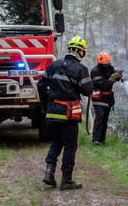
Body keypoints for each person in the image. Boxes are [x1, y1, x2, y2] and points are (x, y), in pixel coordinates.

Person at [38, 35, 93, 190]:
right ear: (81, 52)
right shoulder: (81, 69)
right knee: (70, 145)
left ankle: (49, 174)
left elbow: (41, 85)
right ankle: (66, 180)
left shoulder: (54, 65)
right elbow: (88, 90)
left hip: (52, 111)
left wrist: (45, 104)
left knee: (56, 142)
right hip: (68, 114)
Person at [90, 51, 123, 145]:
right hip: (99, 97)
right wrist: (112, 79)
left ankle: (102, 140)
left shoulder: (109, 67)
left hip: (108, 98)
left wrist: (119, 75)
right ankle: (95, 140)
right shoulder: (95, 71)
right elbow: (103, 85)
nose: (107, 65)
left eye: (108, 63)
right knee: (100, 117)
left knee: (105, 119)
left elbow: (115, 73)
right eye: (105, 64)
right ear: (100, 63)